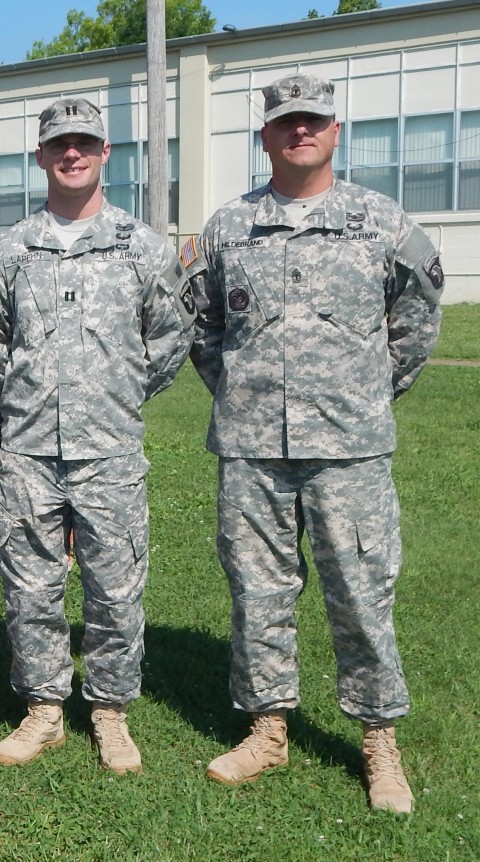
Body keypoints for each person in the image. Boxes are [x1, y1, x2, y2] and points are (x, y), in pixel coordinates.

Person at [187, 74, 442, 812]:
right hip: (253, 448)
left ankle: (378, 740)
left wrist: (366, 395)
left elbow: (417, 322)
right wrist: (242, 394)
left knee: (362, 594)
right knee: (257, 593)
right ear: (265, 136)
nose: (300, 132)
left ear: (336, 132)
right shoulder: (229, 228)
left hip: (349, 449)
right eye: (286, 122)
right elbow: (202, 329)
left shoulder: (381, 223)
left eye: (314, 122)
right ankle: (267, 730)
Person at [0, 97, 196, 771]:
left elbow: (171, 337)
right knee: (29, 585)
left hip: (110, 453)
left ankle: (110, 711)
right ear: (40, 156)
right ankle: (43, 710)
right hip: (30, 452)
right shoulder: (11, 252)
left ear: (104, 155)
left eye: (85, 143)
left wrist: (118, 392)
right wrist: (33, 391)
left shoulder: (144, 249)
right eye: (59, 144)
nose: (72, 153)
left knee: (115, 587)